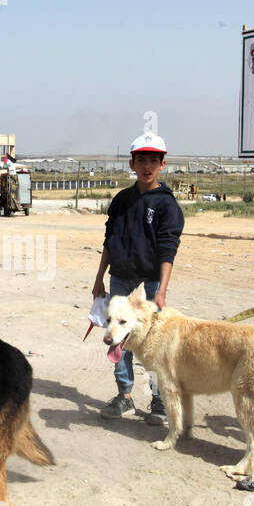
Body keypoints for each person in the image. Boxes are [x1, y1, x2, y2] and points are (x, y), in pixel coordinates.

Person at [92, 133, 184, 426]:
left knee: (153, 345)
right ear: (132, 163)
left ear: (162, 164)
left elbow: (168, 249)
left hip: (148, 284)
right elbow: (109, 240)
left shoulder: (167, 205)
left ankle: (158, 401)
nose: (147, 166)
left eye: (153, 161)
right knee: (117, 338)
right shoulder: (122, 200)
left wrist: (161, 292)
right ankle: (125, 396)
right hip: (119, 281)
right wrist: (99, 279)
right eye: (141, 160)